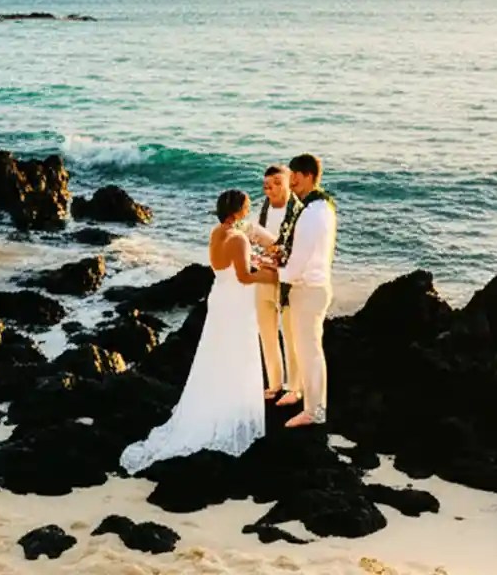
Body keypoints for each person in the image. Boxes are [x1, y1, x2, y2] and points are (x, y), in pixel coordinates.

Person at [119, 189, 278, 474]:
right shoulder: (238, 238)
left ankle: (216, 403)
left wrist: (256, 261)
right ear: (237, 211)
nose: (249, 210)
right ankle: (233, 411)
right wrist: (274, 274)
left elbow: (227, 266)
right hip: (235, 303)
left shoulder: (217, 232)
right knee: (238, 354)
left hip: (220, 297)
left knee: (217, 355)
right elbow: (244, 277)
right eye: (247, 207)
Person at [266, 153, 337, 428]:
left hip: (307, 290)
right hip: (316, 287)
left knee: (310, 351)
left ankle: (314, 410)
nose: (290, 180)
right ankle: (308, 400)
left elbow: (297, 266)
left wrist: (274, 270)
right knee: (309, 349)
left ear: (308, 176)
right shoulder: (324, 208)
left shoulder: (310, 214)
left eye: (295, 174)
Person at [246, 165, 304, 401]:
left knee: (291, 335)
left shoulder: (300, 212)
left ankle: (295, 387)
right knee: (267, 333)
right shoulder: (264, 208)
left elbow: (302, 250)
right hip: (264, 276)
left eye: (278, 183)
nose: (272, 189)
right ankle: (274, 384)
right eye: (268, 184)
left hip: (289, 280)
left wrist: (279, 257)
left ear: (290, 182)